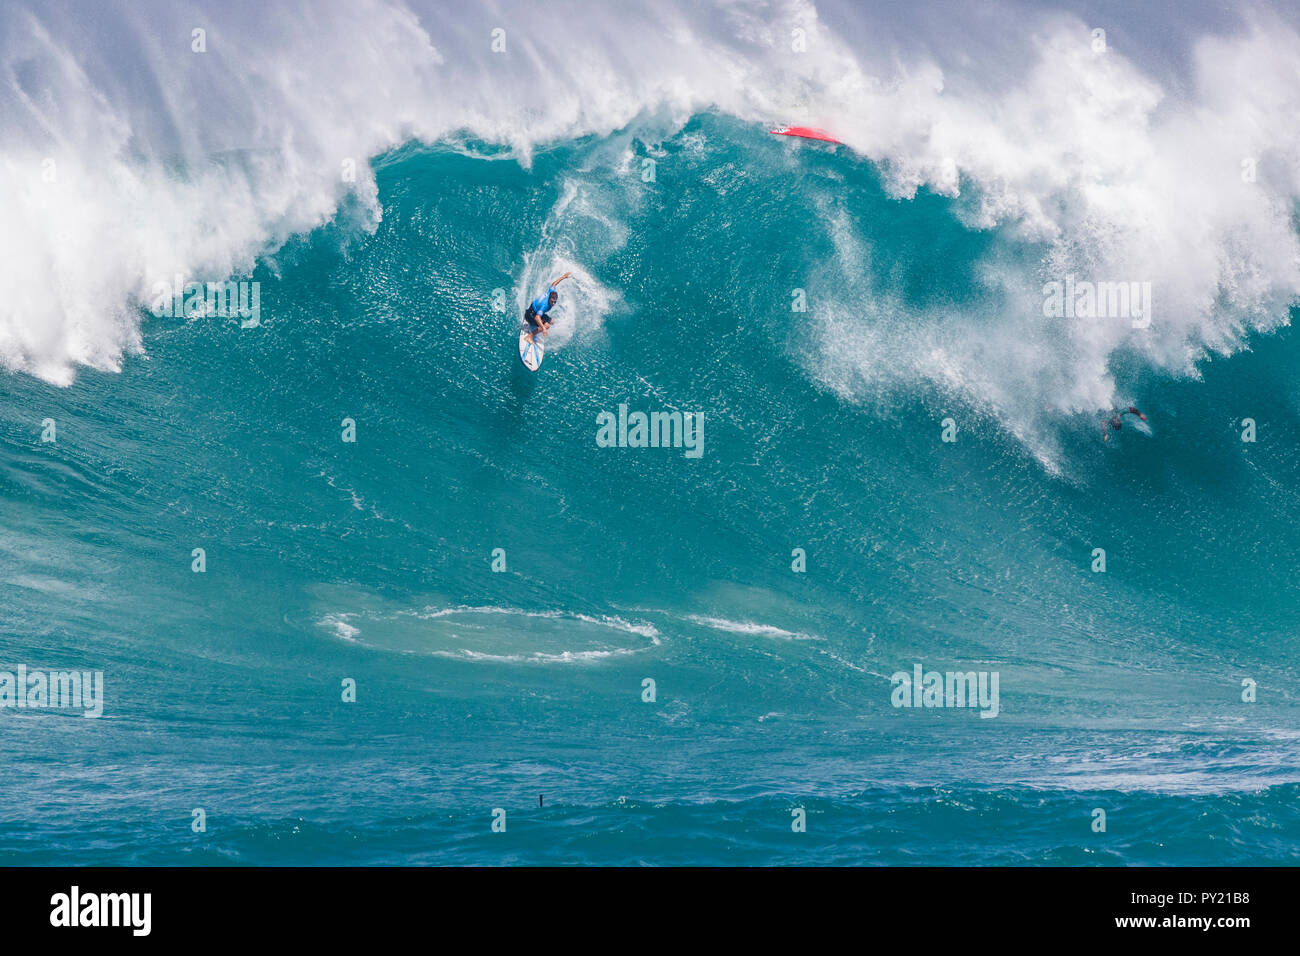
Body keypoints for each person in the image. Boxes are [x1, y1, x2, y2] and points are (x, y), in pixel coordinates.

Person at [523, 271, 572, 342]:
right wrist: (544, 329)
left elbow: (554, 284)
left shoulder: (551, 292)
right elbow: (537, 317)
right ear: (549, 298)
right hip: (530, 314)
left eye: (555, 302)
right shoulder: (544, 305)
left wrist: (564, 277)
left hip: (534, 310)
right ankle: (529, 336)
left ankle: (538, 329)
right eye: (552, 301)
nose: (553, 303)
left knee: (552, 321)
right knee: (547, 326)